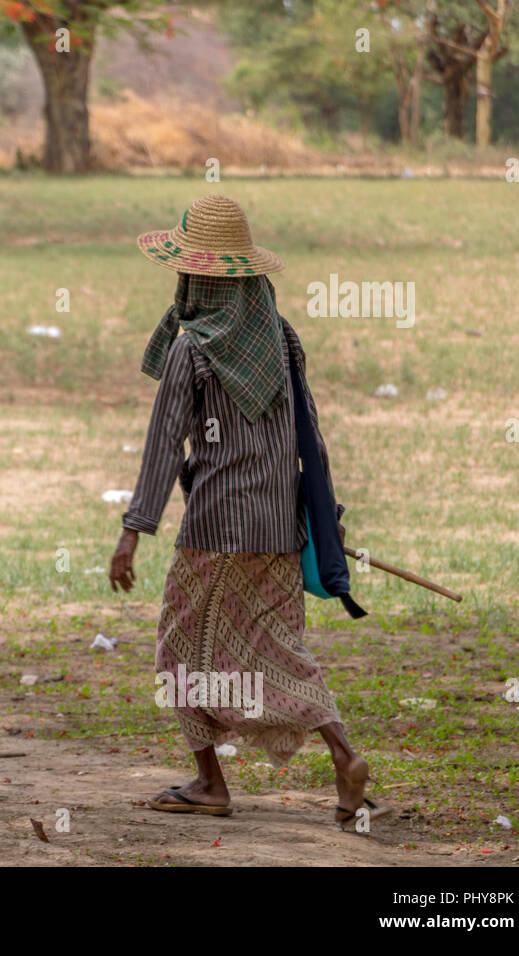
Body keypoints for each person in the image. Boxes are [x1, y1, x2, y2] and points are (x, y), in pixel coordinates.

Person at [108, 194, 388, 829]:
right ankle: (344, 758)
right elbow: (309, 439)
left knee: (180, 653)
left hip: (213, 530)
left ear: (198, 276)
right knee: (279, 649)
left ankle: (210, 783)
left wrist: (132, 532)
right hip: (278, 531)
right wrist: (325, 521)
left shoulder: (194, 349)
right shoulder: (282, 340)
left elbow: (161, 445)